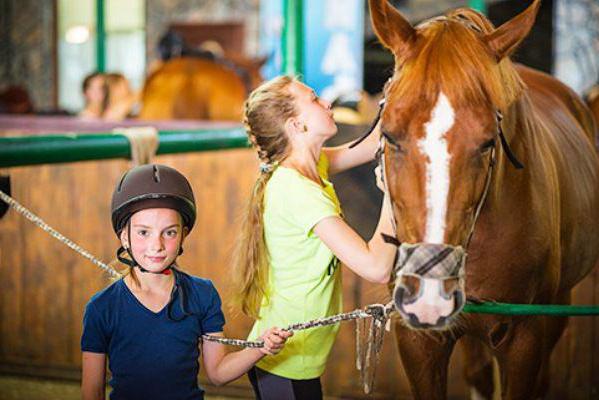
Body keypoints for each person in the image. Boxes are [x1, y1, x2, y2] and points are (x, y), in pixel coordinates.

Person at [232, 76, 397, 399]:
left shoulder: (310, 166)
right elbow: (377, 267)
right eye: (314, 99)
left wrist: (399, 99)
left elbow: (371, 143)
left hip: (296, 358)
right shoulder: (299, 192)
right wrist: (394, 194)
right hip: (285, 362)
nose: (327, 103)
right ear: (297, 125)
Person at [81, 164, 292, 400]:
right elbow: (92, 393)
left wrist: (260, 347)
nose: (156, 245)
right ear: (124, 237)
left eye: (169, 232)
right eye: (143, 232)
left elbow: (218, 373)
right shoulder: (101, 308)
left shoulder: (202, 294)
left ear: (184, 234)